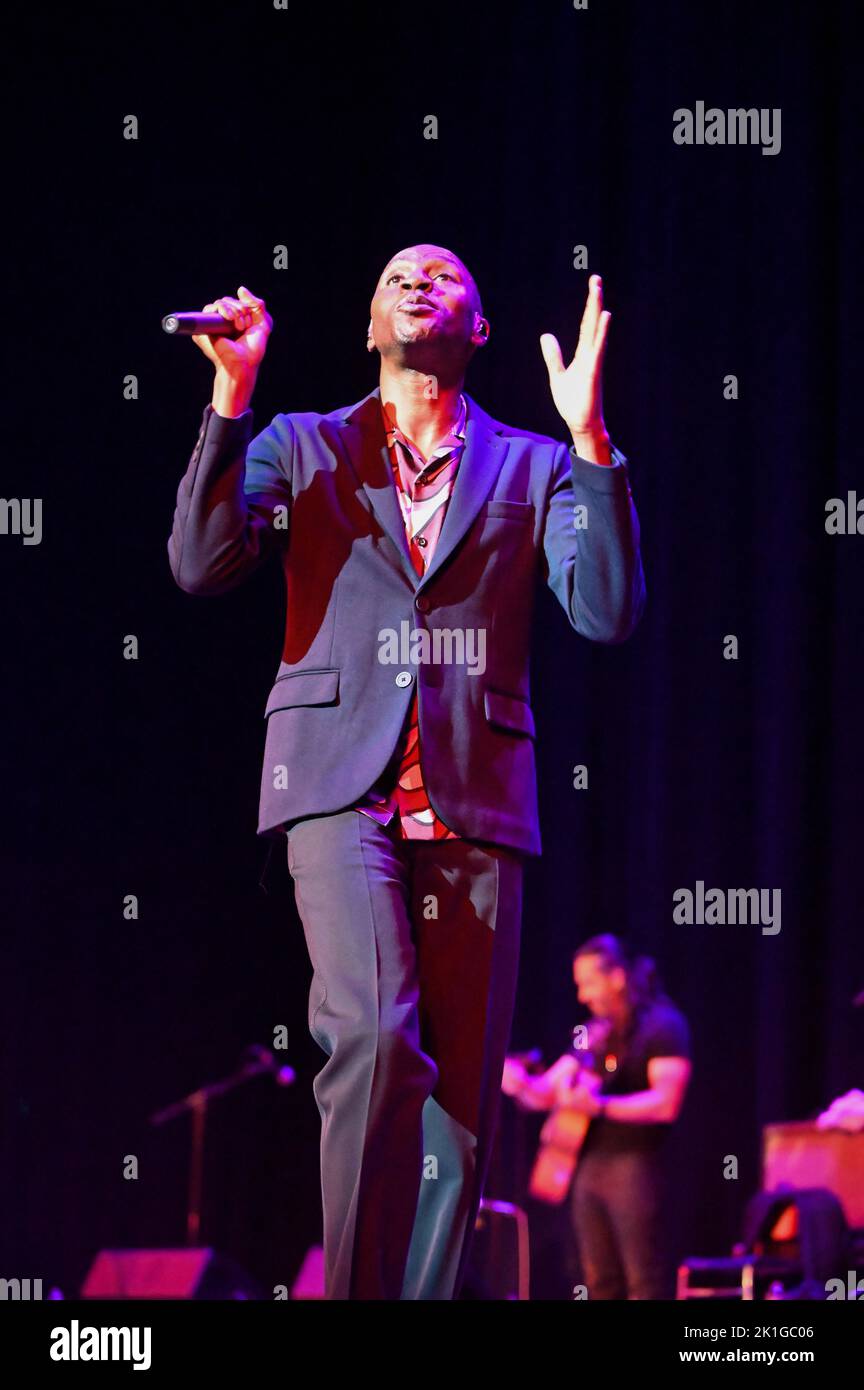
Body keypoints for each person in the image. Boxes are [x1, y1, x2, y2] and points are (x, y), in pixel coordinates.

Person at [167, 244, 646, 1299]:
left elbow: (606, 610)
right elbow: (202, 563)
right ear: (369, 329)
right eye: (392, 276)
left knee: (461, 1124)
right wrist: (231, 395)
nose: (415, 281)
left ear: (479, 329)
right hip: (339, 792)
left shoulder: (534, 466)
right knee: (377, 1044)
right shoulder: (302, 446)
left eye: (442, 272)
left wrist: (592, 437)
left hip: (476, 807)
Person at [503, 935, 692, 1298]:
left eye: (589, 983)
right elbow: (546, 1091)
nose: (583, 996)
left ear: (617, 977)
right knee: (598, 1281)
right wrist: (517, 1083)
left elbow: (665, 1103)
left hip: (635, 1166)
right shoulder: (591, 1034)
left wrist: (601, 1107)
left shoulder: (663, 1026)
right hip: (588, 1167)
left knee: (644, 1280)